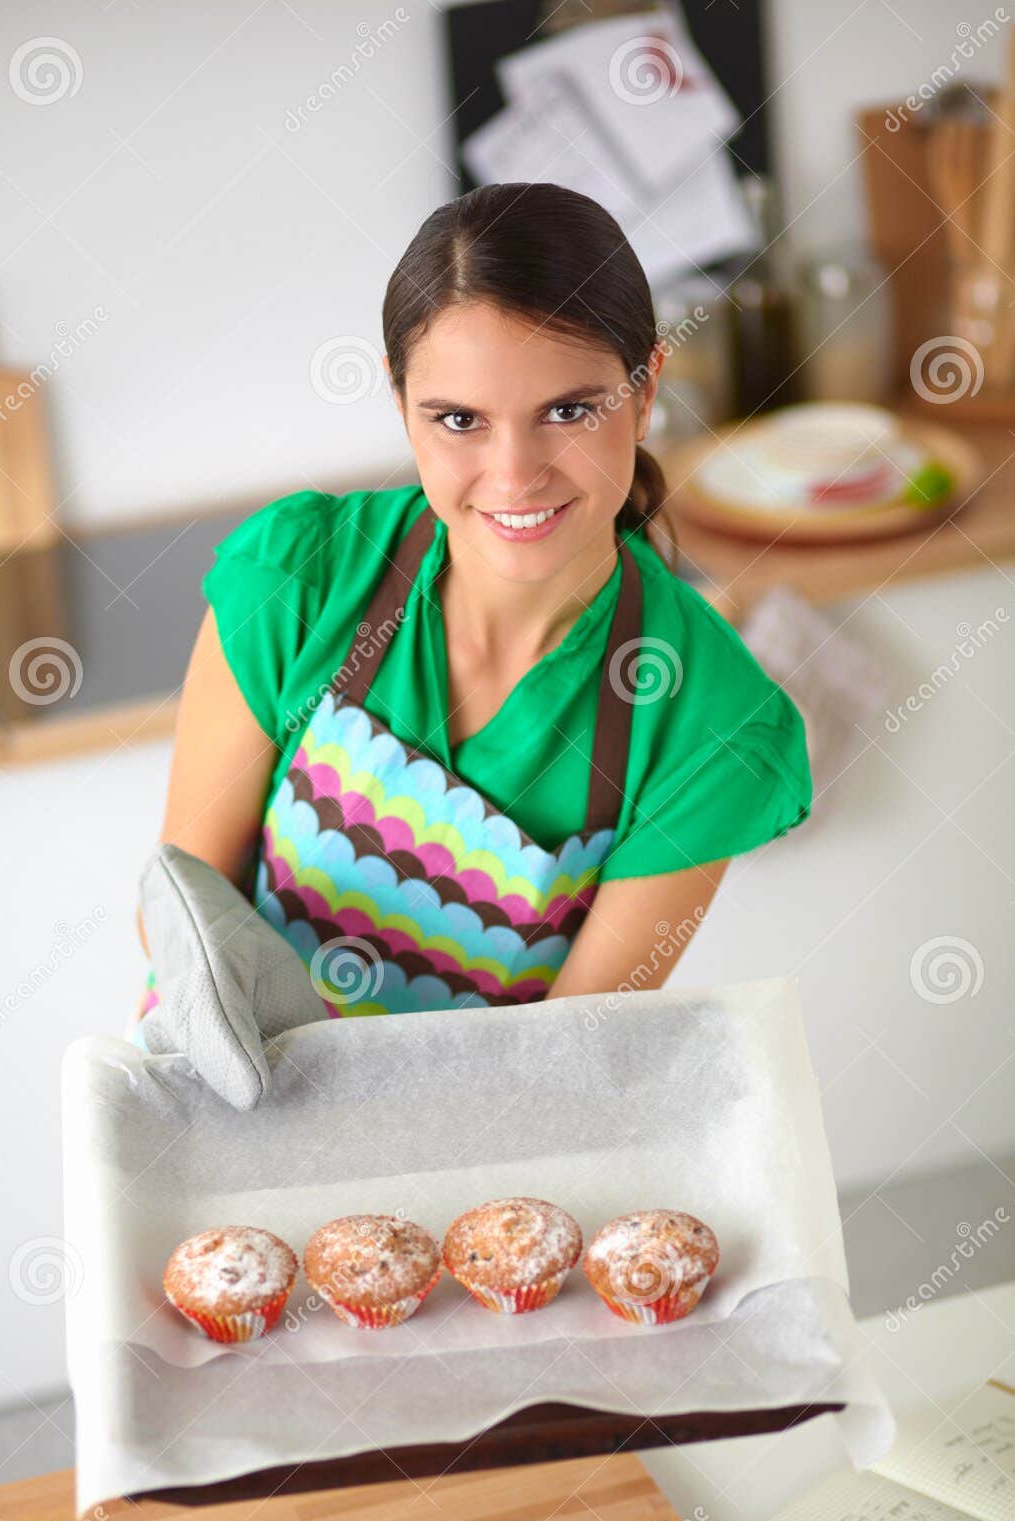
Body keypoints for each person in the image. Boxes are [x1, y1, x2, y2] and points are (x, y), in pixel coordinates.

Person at [130, 181, 811, 1031]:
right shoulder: (301, 579)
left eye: (568, 410)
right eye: (458, 419)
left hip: (489, 1146)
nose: (516, 474)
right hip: (223, 1094)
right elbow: (183, 916)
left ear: (644, 390)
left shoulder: (710, 723)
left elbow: (572, 1052)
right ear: (399, 403)